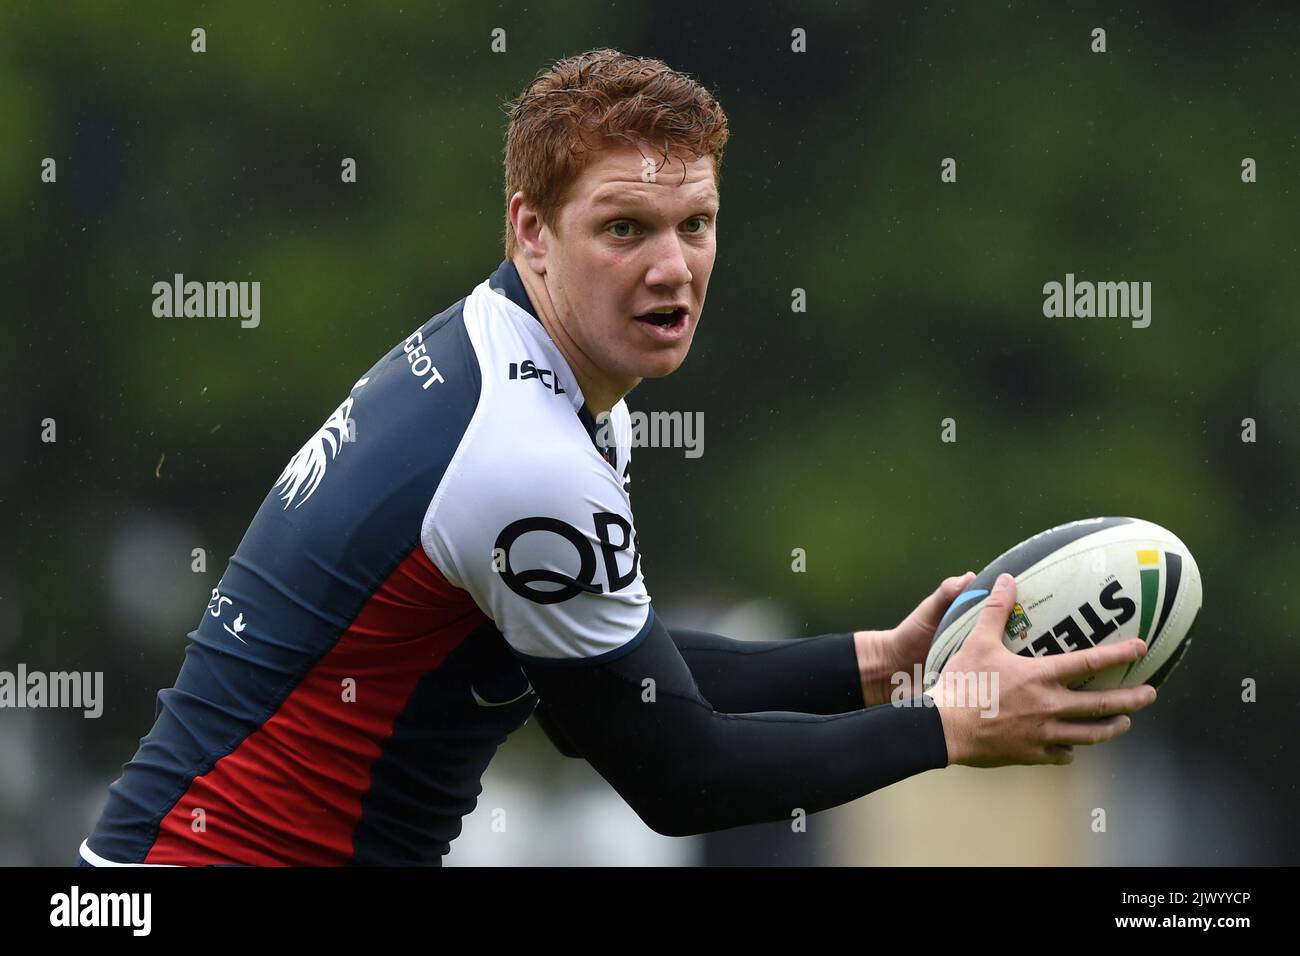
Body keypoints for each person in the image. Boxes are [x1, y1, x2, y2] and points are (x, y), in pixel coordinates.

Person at [77, 48, 1156, 867]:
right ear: (530, 231)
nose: (672, 267)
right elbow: (675, 771)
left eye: (696, 223)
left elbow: (602, 674)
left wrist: (877, 662)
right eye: (625, 228)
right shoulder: (525, 456)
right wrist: (950, 727)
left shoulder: (523, 360)